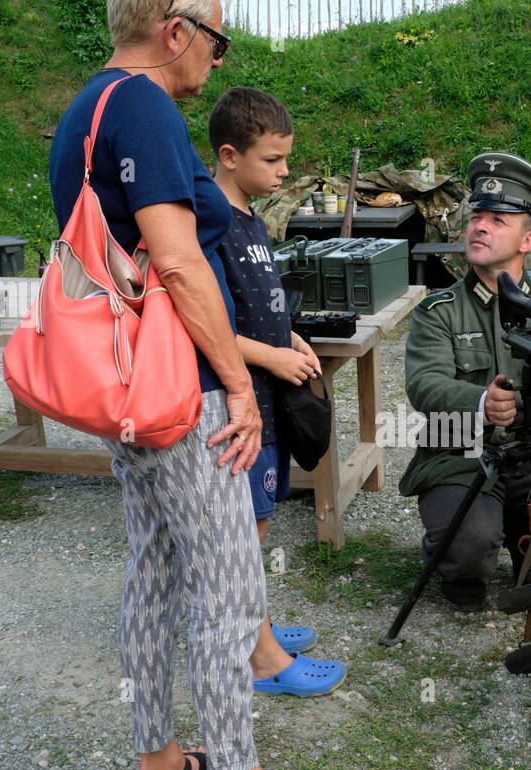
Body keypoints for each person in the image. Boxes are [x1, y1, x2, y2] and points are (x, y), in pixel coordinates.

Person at [47, 0, 338, 770]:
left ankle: (159, 757)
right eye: (217, 41)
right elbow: (175, 260)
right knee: (226, 587)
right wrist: (241, 386)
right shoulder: (145, 106)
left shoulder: (84, 109)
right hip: (184, 395)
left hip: (124, 388)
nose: (217, 60)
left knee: (155, 570)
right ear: (176, 30)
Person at [399, 152, 531, 612]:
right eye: (477, 216)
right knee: (467, 560)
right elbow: (424, 383)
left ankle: (523, 533)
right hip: (461, 455)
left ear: (528, 240)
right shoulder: (438, 311)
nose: (480, 226)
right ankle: (463, 549)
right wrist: (481, 400)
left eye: (498, 219)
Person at [209, 85, 346, 696]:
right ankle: (258, 658)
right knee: (246, 535)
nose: (285, 172)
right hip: (239, 406)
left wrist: (290, 337)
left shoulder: (253, 217)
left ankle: (256, 625)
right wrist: (271, 356)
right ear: (230, 154)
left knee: (259, 520)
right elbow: (203, 321)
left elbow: (257, 305)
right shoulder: (209, 224)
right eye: (273, 160)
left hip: (269, 400)